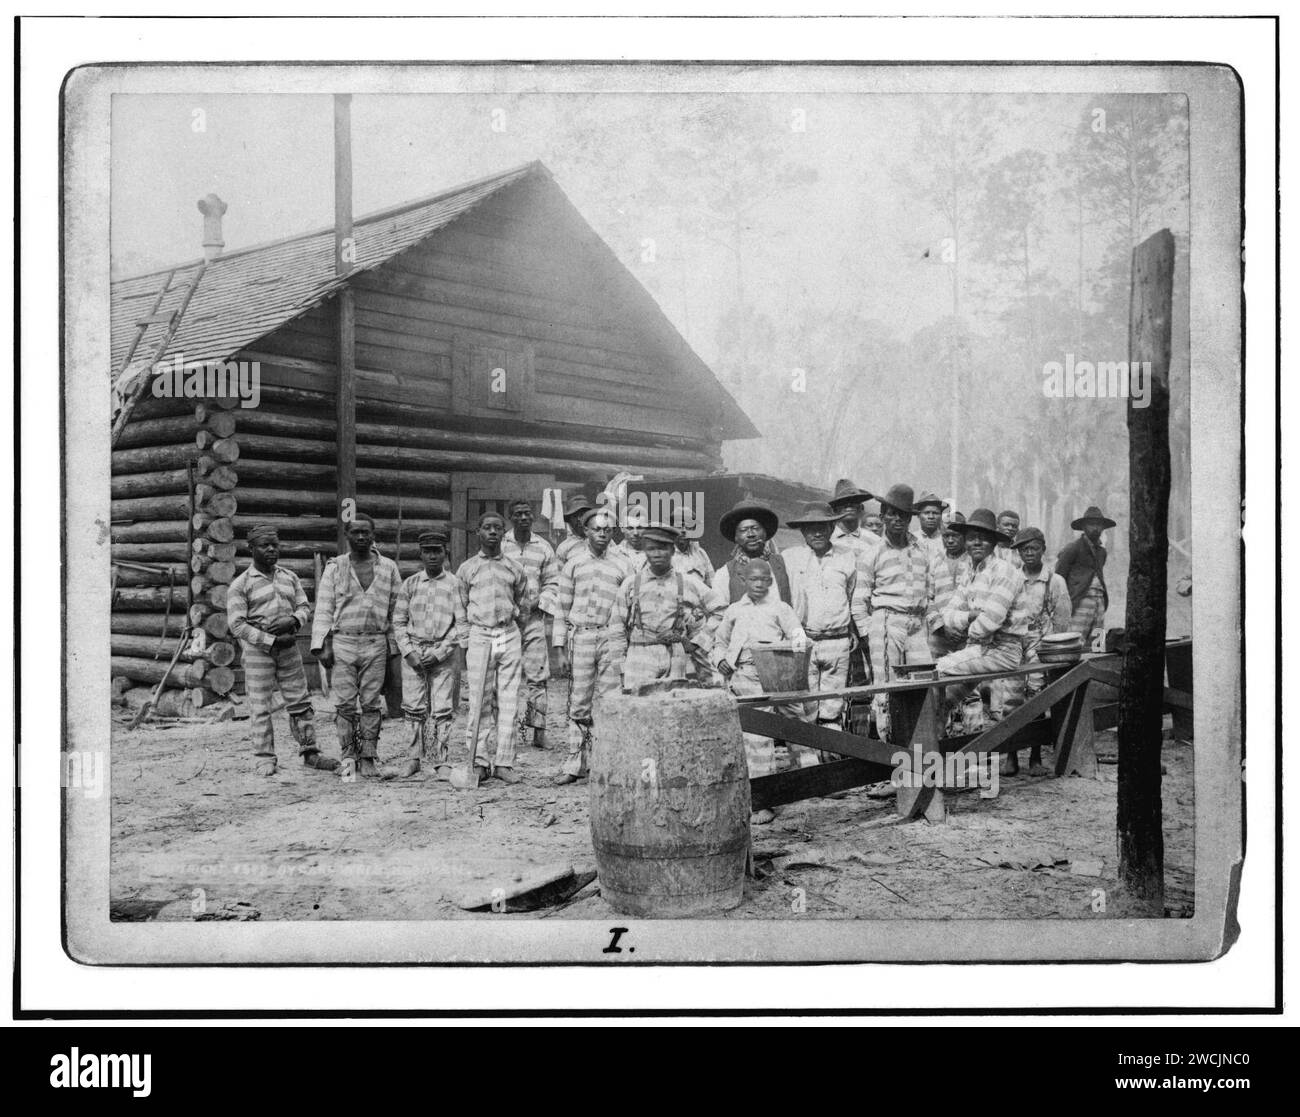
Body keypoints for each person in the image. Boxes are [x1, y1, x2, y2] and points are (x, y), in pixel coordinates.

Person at [227, 525, 337, 777]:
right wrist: (270, 640)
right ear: (251, 549)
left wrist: (294, 622)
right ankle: (264, 757)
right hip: (258, 653)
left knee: (300, 701)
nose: (271, 549)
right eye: (264, 545)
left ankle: (310, 753)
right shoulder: (240, 585)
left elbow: (304, 605)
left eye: (274, 545)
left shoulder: (290, 577)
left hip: (289, 649)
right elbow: (236, 624)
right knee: (260, 706)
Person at [713, 559, 809, 824]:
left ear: (769, 581)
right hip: (745, 674)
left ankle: (812, 780)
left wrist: (787, 649)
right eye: (752, 579)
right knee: (757, 736)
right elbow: (719, 641)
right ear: (743, 581)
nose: (758, 584)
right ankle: (764, 800)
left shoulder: (780, 608)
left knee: (797, 723)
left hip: (779, 672)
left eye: (763, 579)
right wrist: (720, 658)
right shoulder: (734, 610)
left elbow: (799, 636)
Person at [934, 508, 1030, 762]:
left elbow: (990, 621)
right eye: (972, 537)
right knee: (939, 698)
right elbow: (948, 614)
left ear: (994, 542)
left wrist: (969, 622)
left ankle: (959, 760)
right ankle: (932, 760)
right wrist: (968, 617)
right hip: (978, 649)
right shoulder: (971, 571)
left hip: (1004, 650)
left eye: (983, 537)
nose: (976, 542)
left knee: (939, 670)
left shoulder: (1006, 571)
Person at [311, 514, 401, 779]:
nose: (361, 537)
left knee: (372, 702)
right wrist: (323, 645)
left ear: (374, 535)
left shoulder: (388, 567)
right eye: (355, 532)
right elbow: (324, 607)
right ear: (347, 536)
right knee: (345, 704)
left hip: (376, 642)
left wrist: (394, 648)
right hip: (343, 642)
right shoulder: (336, 567)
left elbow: (397, 611)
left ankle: (369, 756)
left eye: (366, 532)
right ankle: (349, 756)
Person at [552, 507, 631, 786]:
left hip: (610, 638)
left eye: (607, 529)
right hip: (581, 636)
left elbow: (628, 610)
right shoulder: (573, 563)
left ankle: (607, 762)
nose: (602, 533)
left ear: (613, 532)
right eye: (596, 529)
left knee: (611, 701)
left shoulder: (623, 565)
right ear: (585, 531)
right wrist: (560, 648)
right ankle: (576, 763)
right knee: (579, 702)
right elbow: (561, 608)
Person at [451, 511, 530, 790]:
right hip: (481, 635)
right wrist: (465, 639)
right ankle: (480, 761)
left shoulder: (514, 567)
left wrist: (513, 623)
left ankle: (505, 762)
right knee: (479, 699)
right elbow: (460, 607)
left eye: (498, 528)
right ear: (479, 532)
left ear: (503, 533)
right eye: (487, 528)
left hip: (506, 635)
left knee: (508, 698)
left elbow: (523, 600)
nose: (493, 532)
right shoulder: (467, 568)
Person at [851, 483, 934, 744]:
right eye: (892, 514)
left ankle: (917, 751)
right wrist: (869, 634)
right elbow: (859, 601)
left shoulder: (921, 549)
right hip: (887, 621)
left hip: (917, 624)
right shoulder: (872, 553)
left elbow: (930, 591)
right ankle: (891, 756)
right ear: (884, 515)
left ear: (911, 518)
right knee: (886, 689)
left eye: (904, 515)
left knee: (922, 684)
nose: (898, 520)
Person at [384, 530, 467, 781]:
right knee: (412, 707)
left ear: (445, 553)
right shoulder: (410, 584)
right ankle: (413, 759)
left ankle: (441, 761)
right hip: (414, 654)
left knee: (442, 708)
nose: (432, 556)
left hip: (443, 654)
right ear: (420, 554)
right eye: (427, 551)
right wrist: (408, 652)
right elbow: (398, 621)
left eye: (437, 551)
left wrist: (441, 652)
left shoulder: (455, 584)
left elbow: (461, 624)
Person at [994, 526, 1072, 773]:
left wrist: (1053, 649)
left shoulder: (1054, 581)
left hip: (1041, 643)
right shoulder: (1011, 578)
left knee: (1037, 698)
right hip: (1014, 643)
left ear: (1043, 550)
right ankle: (1011, 757)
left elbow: (1062, 619)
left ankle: (1036, 758)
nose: (1029, 553)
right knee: (1010, 700)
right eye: (1024, 549)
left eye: (1034, 548)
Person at [607, 522, 720, 692]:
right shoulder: (631, 584)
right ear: (645, 551)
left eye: (663, 548)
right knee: (640, 709)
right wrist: (620, 668)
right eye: (652, 549)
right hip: (639, 655)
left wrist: (698, 642)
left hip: (675, 656)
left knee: (674, 709)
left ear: (673, 550)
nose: (657, 554)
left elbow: (720, 610)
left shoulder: (687, 582)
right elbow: (617, 629)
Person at [782, 502, 856, 731]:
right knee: (806, 706)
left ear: (833, 527)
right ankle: (812, 759)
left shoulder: (847, 556)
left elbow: (852, 594)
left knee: (833, 706)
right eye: (810, 527)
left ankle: (834, 759)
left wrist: (851, 630)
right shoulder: (789, 558)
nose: (817, 532)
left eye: (822, 526)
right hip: (806, 641)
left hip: (838, 641)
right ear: (802, 531)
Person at [501, 498, 560, 751]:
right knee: (501, 675)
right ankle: (504, 733)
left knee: (538, 675)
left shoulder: (544, 547)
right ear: (510, 518)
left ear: (533, 517)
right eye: (517, 514)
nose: (523, 518)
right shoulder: (500, 544)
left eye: (527, 514)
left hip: (533, 621)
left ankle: (538, 730)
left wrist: (536, 604)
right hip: (503, 624)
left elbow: (553, 583)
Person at [1056, 505, 1115, 650]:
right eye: (1091, 524)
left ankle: (1095, 670)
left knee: (1097, 643)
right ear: (1083, 527)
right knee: (1074, 641)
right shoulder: (1072, 549)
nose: (1095, 528)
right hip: (1080, 601)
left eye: (1099, 524)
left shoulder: (1102, 552)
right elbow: (1058, 578)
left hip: (1099, 601)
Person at [713, 499, 792, 606]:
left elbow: (797, 606)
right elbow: (719, 614)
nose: (750, 534)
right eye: (743, 530)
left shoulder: (784, 565)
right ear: (736, 537)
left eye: (755, 528)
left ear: (765, 533)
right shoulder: (725, 574)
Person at [926, 511, 972, 659]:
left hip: (968, 633)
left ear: (965, 536)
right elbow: (928, 599)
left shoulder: (973, 562)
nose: (950, 540)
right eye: (946, 536)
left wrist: (965, 627)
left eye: (955, 535)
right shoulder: (935, 562)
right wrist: (941, 627)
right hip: (940, 635)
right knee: (938, 674)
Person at [827, 478, 881, 558]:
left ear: (861, 508)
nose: (849, 505)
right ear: (836, 510)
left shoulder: (875, 541)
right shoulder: (827, 539)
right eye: (843, 502)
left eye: (854, 501)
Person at [555, 493, 595, 569]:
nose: (579, 519)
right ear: (569, 520)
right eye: (575, 516)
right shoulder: (564, 548)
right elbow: (560, 576)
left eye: (583, 514)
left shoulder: (602, 539)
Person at [914, 491, 949, 562]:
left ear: (941, 516)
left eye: (935, 513)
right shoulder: (911, 539)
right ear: (918, 515)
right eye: (926, 513)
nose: (931, 517)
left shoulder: (947, 540)